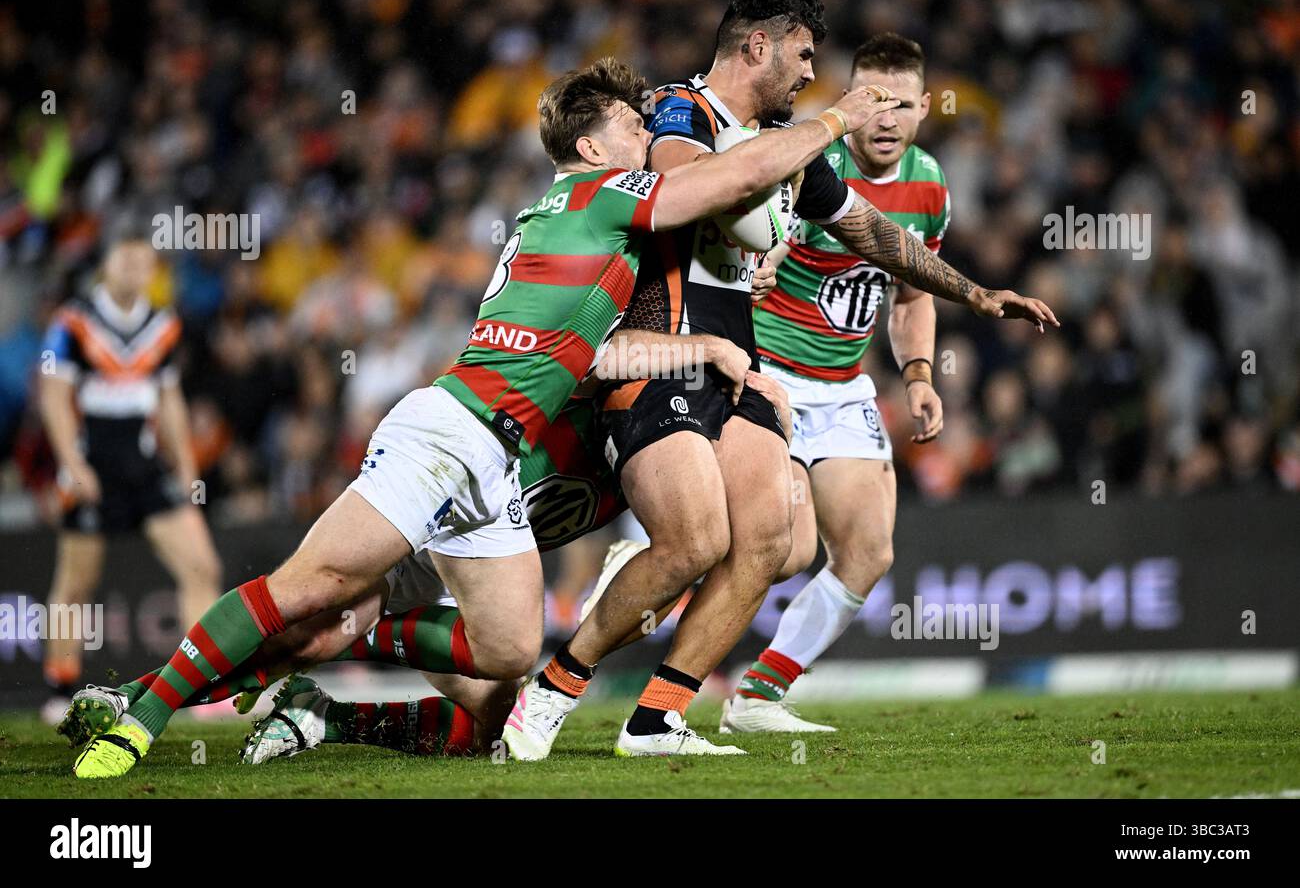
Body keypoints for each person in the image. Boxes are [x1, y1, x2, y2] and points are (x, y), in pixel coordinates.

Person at [70, 55, 903, 778]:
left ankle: (319, 709)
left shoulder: (605, 232)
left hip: (500, 469)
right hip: (453, 430)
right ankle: (140, 706)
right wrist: (833, 116)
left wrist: (711, 353)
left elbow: (602, 353)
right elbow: (724, 181)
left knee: (499, 665)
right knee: (317, 600)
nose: (647, 130)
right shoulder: (605, 193)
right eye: (629, 122)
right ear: (591, 146)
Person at [504, 0, 1057, 761]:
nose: (809, 73)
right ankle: (554, 687)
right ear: (756, 44)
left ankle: (657, 717)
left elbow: (868, 229)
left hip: (740, 359)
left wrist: (974, 293)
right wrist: (831, 122)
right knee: (693, 544)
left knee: (772, 545)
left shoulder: (795, 140)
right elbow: (697, 187)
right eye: (801, 55)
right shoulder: (677, 108)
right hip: (666, 350)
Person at [724, 33, 949, 732]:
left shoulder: (929, 184)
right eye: (873, 102)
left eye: (902, 105)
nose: (886, 119)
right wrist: (750, 268)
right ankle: (662, 554)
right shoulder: (807, 161)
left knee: (868, 552)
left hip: (844, 383)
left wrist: (917, 374)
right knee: (787, 552)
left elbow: (913, 294)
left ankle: (757, 698)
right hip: (769, 374)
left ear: (922, 110)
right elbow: (741, 235)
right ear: (851, 99)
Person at [38, 228, 221, 723]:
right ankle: (60, 690)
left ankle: (201, 691)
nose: (135, 270)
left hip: (143, 466)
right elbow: (53, 395)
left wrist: (184, 462)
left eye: (144, 262)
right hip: (91, 462)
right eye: (126, 260)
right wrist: (72, 467)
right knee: (76, 583)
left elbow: (169, 397)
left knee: (201, 566)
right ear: (106, 264)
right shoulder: (73, 323)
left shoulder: (162, 326)